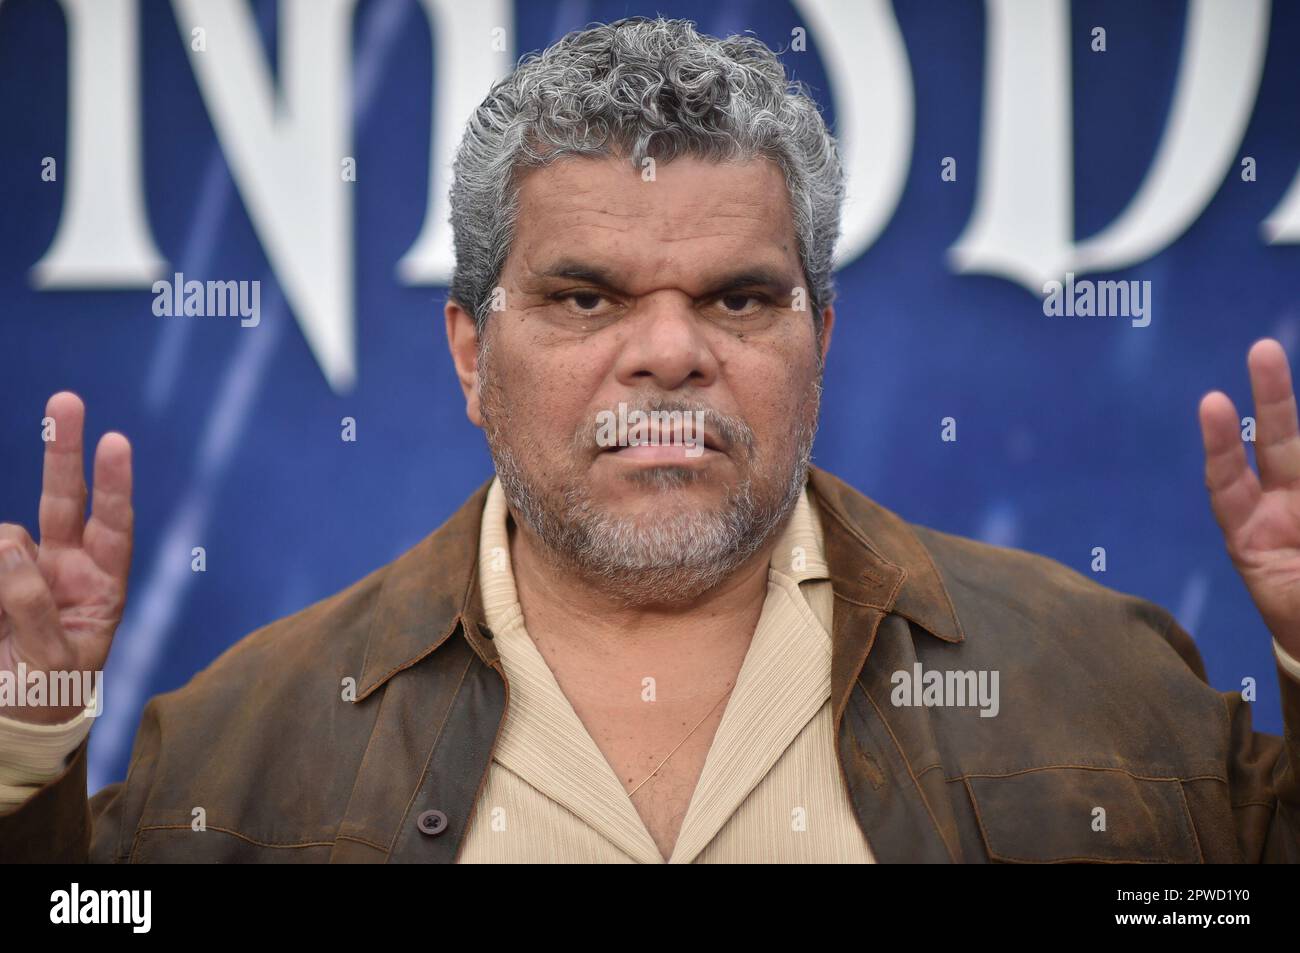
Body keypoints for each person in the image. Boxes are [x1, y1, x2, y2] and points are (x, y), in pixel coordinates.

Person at [1, 16, 1296, 864]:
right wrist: (27, 742)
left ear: (820, 340)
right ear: (468, 352)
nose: (670, 351)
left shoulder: (1102, 679)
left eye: (740, 298)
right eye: (587, 298)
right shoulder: (242, 742)